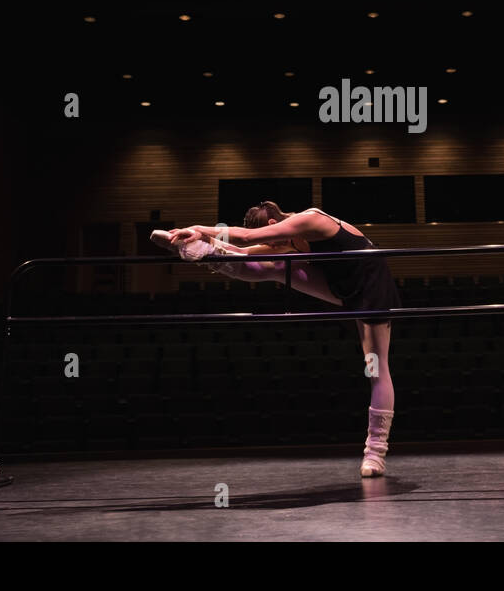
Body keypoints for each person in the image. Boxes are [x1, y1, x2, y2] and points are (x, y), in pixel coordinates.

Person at [152, 202, 398, 477]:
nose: (271, 244)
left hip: (370, 282)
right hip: (340, 282)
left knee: (375, 366)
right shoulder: (285, 239)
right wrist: (203, 239)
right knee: (274, 265)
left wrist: (196, 226)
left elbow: (245, 238)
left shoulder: (311, 220)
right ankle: (199, 250)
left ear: (272, 225)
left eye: (270, 238)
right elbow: (243, 252)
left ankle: (376, 451)